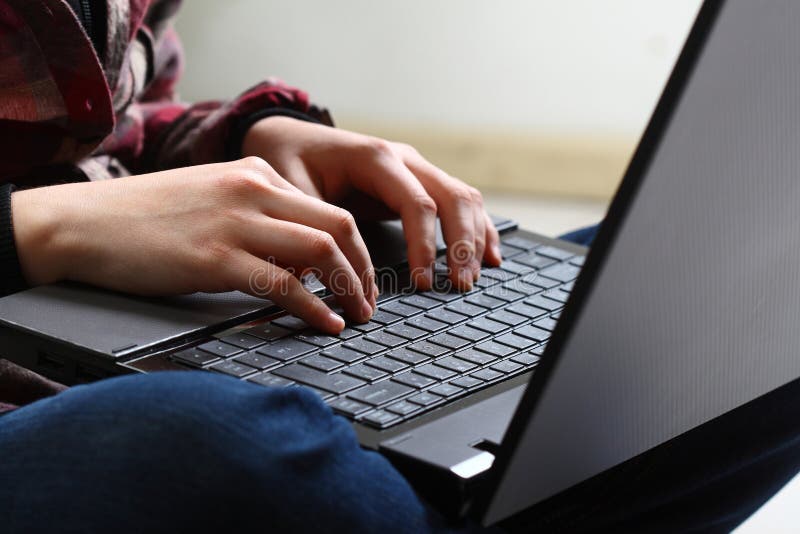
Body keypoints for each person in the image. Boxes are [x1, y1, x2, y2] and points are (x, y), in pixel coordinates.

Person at [1, 1, 799, 532]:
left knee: (708, 309)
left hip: (129, 296)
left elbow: (123, 122)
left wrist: (252, 137)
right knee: (216, 443)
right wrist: (32, 227)